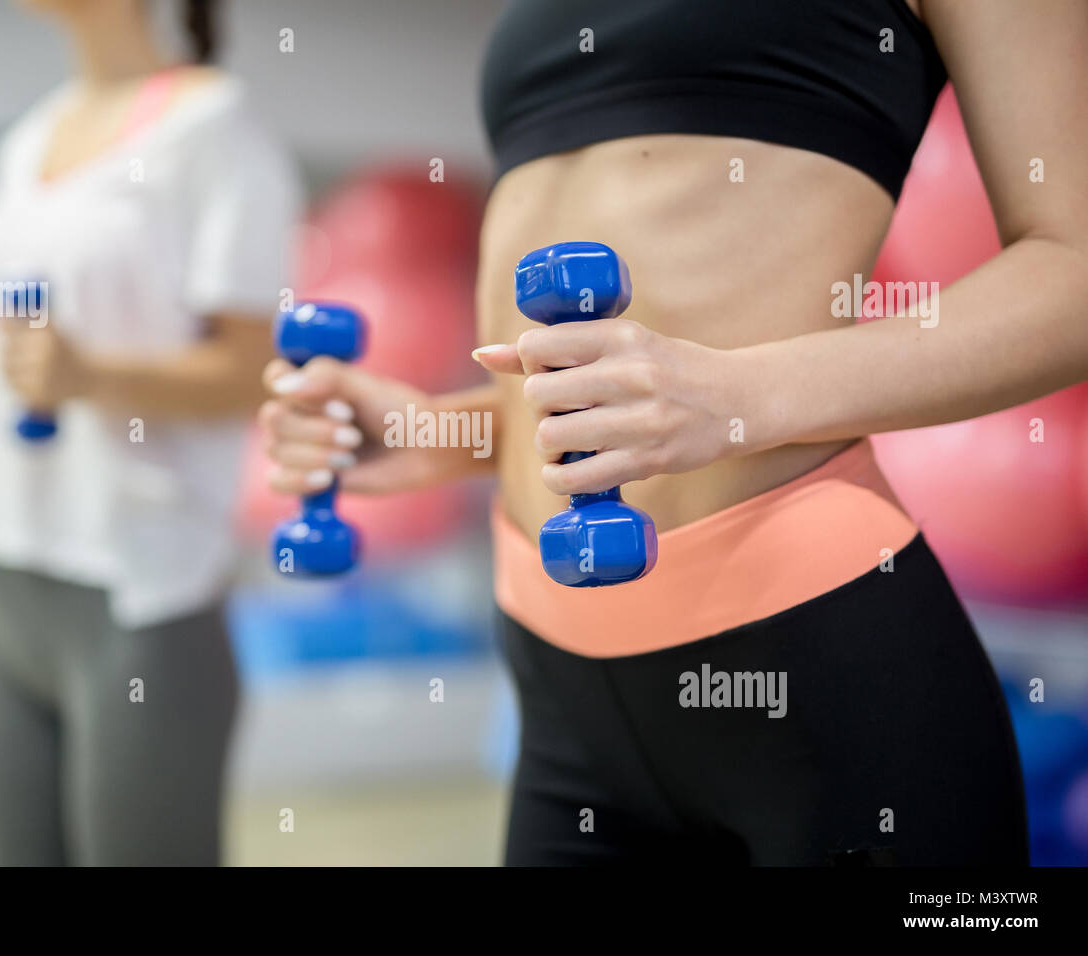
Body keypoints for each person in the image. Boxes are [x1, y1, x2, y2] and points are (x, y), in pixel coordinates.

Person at [260, 0, 1088, 865]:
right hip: (559, 689)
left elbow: (1075, 274)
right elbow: (629, 372)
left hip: (817, 672)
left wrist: (740, 396)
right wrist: (444, 433)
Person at [0, 0, 301, 865]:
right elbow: (10, 386)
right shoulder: (30, 138)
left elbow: (254, 372)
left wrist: (94, 376)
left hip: (135, 588)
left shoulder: (214, 124)